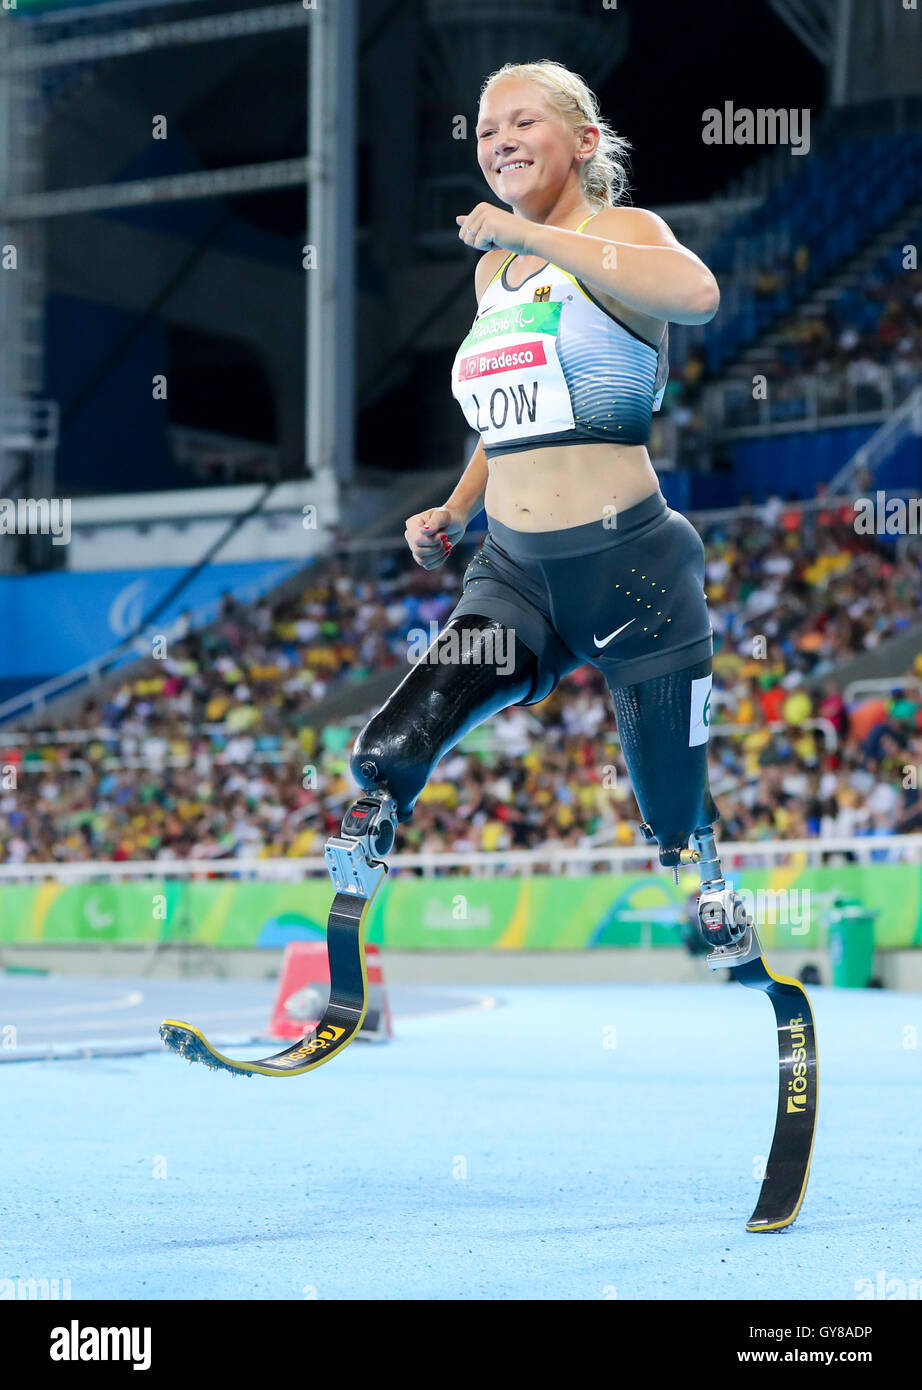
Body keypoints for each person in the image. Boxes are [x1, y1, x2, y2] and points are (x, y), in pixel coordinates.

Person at [346, 60, 742, 949]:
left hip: (630, 571)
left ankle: (707, 873)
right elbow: (515, 414)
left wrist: (535, 238)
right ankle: (361, 869)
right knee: (390, 747)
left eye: (522, 123)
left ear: (585, 141)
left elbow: (699, 296)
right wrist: (453, 507)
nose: (500, 143)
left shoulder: (622, 231)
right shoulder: (495, 279)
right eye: (486, 132)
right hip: (514, 577)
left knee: (668, 813)